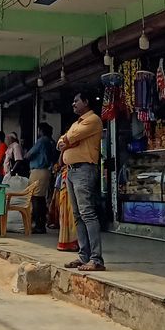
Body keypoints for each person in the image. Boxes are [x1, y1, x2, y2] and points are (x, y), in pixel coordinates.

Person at [57, 92, 105, 272]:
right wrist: (67, 141)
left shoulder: (93, 120)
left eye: (76, 100)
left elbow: (69, 138)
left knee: (87, 213)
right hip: (71, 171)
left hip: (84, 169)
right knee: (78, 215)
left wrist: (68, 141)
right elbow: (61, 141)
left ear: (86, 101)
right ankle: (84, 256)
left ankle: (96, 259)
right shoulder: (76, 123)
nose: (73, 104)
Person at [25, 122, 55, 234]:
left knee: (36, 198)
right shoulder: (51, 142)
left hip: (38, 170)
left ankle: (38, 225)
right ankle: (40, 223)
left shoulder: (42, 141)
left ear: (41, 131)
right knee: (41, 198)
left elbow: (28, 155)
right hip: (46, 171)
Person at [55, 162, 78, 252]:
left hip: (74, 176)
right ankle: (69, 242)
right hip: (66, 178)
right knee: (66, 215)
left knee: (74, 215)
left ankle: (76, 242)